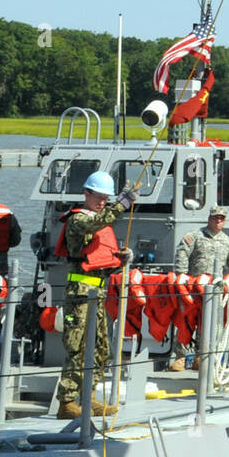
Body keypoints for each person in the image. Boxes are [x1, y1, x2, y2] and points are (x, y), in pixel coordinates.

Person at [56, 171, 135, 419]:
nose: (102, 202)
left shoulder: (98, 219)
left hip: (97, 294)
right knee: (77, 347)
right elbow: (95, 224)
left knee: (100, 347)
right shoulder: (78, 220)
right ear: (86, 194)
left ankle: (88, 398)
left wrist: (121, 260)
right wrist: (122, 205)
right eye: (98, 197)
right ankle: (67, 403)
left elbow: (100, 259)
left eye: (106, 199)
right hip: (79, 295)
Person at [168, 206, 229, 372]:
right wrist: (181, 274)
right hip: (192, 288)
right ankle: (180, 356)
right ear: (209, 218)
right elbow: (182, 252)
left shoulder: (227, 242)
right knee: (185, 321)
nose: (218, 221)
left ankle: (201, 357)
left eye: (221, 218)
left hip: (212, 290)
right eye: (215, 218)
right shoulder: (195, 236)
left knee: (206, 323)